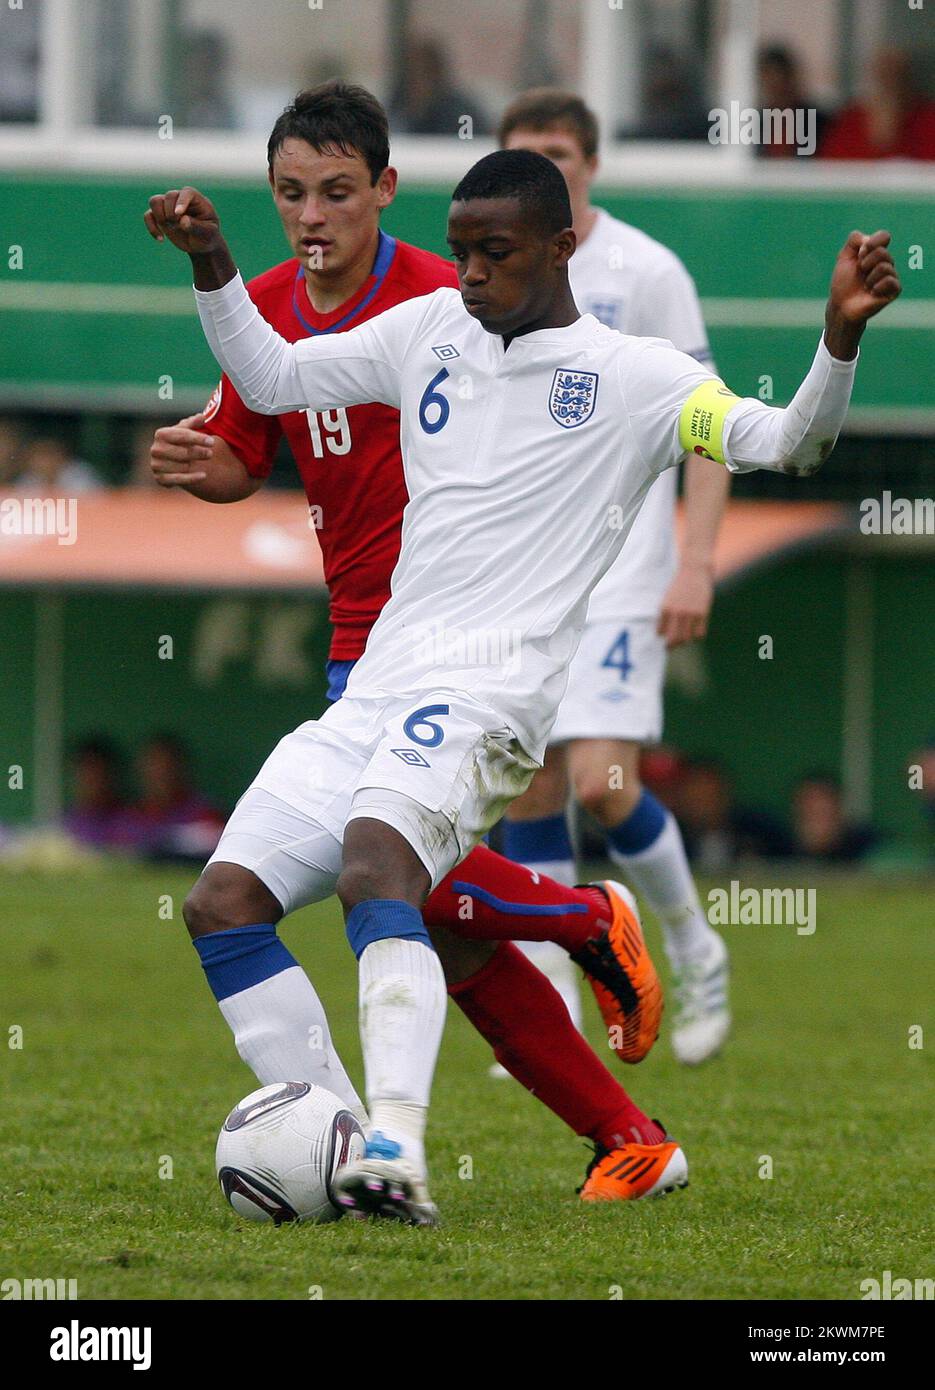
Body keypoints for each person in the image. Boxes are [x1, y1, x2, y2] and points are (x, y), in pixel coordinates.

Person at [145, 147, 899, 1224]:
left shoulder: (636, 376)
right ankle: (351, 1144)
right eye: (458, 253)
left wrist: (838, 338)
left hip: (490, 701)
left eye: (494, 254)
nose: (470, 275)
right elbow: (271, 379)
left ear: (561, 249)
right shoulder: (429, 333)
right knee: (222, 904)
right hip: (377, 686)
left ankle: (396, 1146)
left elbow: (787, 442)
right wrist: (212, 261)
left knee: (377, 871)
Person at [146, 85, 677, 1214]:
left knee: (391, 881)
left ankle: (560, 947)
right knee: (423, 910)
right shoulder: (272, 305)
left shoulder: (458, 294)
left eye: (337, 192)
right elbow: (252, 429)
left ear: (385, 192)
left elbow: (587, 411)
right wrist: (213, 467)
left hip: (469, 645)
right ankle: (615, 1114)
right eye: (291, 194)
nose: (312, 216)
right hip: (364, 638)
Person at [498, 89, 731, 1066]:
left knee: (598, 782)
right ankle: (547, 1006)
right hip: (519, 576)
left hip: (624, 568)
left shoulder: (645, 272)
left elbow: (707, 422)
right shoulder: (488, 271)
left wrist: (696, 559)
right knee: (525, 783)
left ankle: (692, 947)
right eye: (524, 155)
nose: (544, 169)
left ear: (589, 163)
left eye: (558, 152)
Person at [820, 47, 935, 161]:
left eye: (897, 73)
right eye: (883, 73)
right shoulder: (850, 119)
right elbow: (832, 167)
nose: (889, 81)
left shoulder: (928, 118)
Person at [756, 45, 829, 158]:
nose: (774, 87)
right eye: (767, 80)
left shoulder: (819, 123)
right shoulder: (754, 125)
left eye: (779, 79)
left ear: (792, 79)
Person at [790, 773, 878, 863]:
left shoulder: (866, 847)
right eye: (811, 810)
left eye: (824, 811)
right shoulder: (782, 849)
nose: (818, 818)